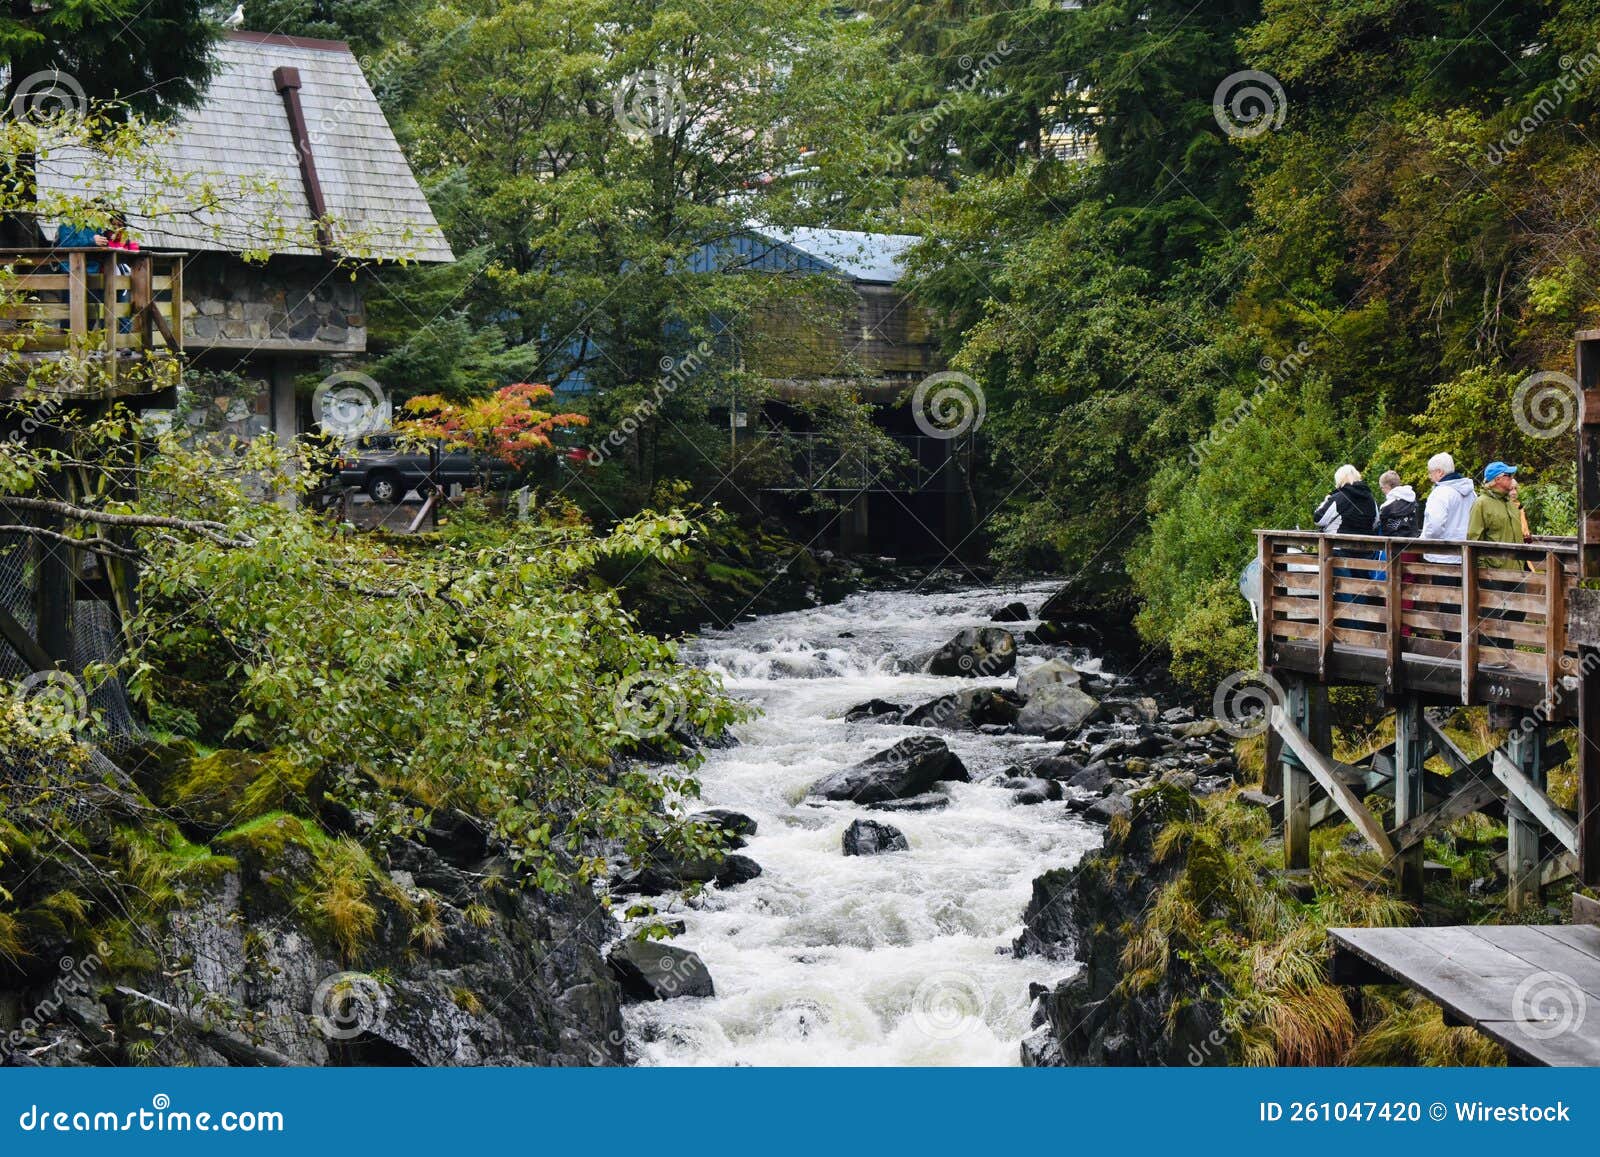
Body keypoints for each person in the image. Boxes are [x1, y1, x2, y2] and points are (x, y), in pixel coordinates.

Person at [1420, 452, 1474, 564]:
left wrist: (1425, 538)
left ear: (1440, 472)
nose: (1429, 477)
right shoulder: (1471, 493)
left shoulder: (1440, 493)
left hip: (1441, 555)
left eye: (1431, 473)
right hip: (1466, 554)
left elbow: (1435, 525)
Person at [1314, 464, 1377, 535]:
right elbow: (1375, 522)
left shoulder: (1338, 497)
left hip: (1339, 543)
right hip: (1366, 543)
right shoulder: (1370, 498)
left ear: (1339, 480)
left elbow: (1318, 520)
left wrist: (1325, 501)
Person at [1376, 470, 1421, 537]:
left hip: (1392, 544)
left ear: (1387, 486)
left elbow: (1383, 529)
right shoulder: (1412, 500)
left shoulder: (1386, 506)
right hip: (1413, 542)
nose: (1382, 490)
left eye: (1381, 487)